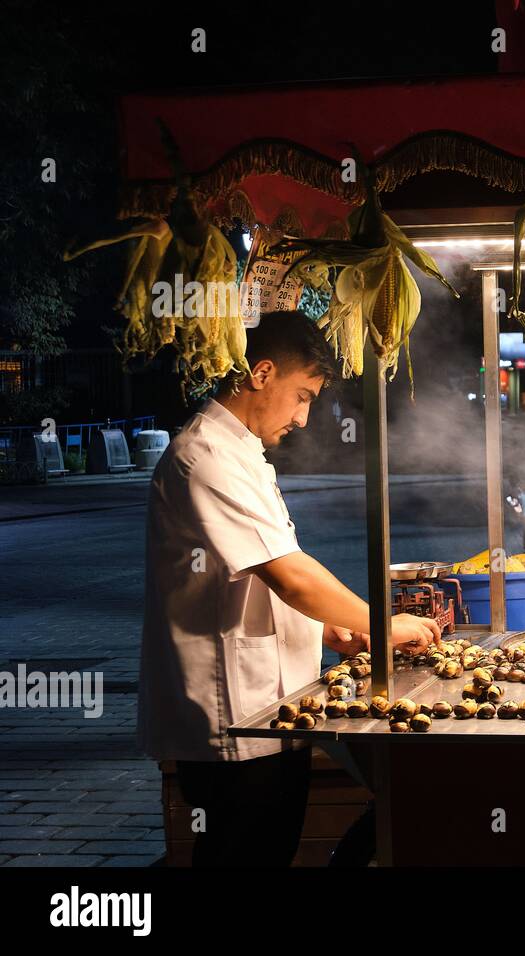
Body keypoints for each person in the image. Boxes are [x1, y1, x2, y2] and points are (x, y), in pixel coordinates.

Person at [137, 311, 440, 866]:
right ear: (261, 372)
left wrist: (330, 629)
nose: (303, 418)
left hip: (268, 708)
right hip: (231, 715)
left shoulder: (243, 454)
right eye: (301, 396)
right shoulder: (202, 457)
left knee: (266, 856)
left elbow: (257, 576)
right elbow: (290, 575)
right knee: (240, 859)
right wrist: (381, 623)